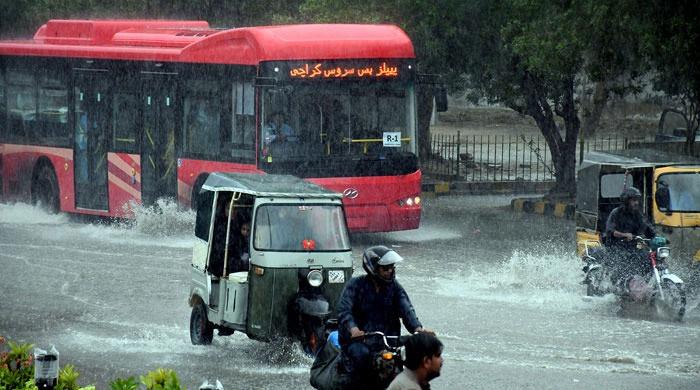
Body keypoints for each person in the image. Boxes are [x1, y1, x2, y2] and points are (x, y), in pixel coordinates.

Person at [336, 245, 432, 386]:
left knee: (406, 361)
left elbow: (406, 309)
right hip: (360, 341)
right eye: (385, 268)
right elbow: (345, 311)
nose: (390, 271)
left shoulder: (394, 287)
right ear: (373, 268)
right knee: (361, 357)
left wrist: (418, 329)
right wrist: (353, 329)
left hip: (388, 341)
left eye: (392, 267)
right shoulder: (355, 285)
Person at [604, 187, 656, 288]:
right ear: (626, 201)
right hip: (615, 247)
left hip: (632, 247)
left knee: (647, 259)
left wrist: (657, 238)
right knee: (623, 264)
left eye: (637, 200)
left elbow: (647, 228)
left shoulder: (637, 214)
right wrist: (624, 235)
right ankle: (619, 287)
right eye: (633, 200)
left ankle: (642, 284)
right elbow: (610, 231)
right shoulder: (616, 213)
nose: (636, 203)